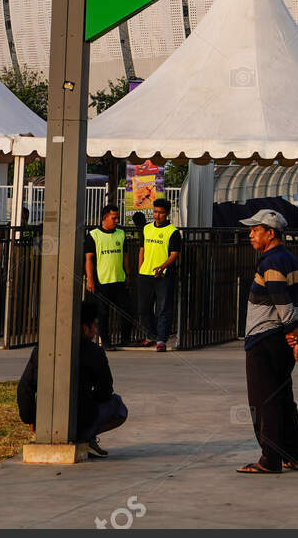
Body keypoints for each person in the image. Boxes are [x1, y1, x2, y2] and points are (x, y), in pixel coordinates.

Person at [237, 209, 298, 474]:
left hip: (265, 342)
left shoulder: (271, 263)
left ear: (270, 233)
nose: (251, 235)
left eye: (255, 230)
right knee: (282, 399)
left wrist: (293, 340)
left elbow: (284, 306)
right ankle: (295, 455)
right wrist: (295, 335)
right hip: (279, 341)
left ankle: (270, 459)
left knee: (263, 402)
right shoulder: (291, 259)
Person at [16, 298, 127, 459]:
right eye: (94, 326)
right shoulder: (95, 352)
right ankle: (86, 438)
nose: (95, 330)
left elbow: (24, 387)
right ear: (85, 327)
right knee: (118, 406)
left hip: (45, 421)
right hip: (81, 421)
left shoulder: (41, 350)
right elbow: (105, 391)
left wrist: (31, 418)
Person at [135, 197, 180, 352]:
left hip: (163, 276)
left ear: (167, 213)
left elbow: (174, 254)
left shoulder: (172, 232)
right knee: (143, 308)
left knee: (162, 308)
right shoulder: (146, 229)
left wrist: (162, 267)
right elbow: (142, 249)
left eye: (161, 212)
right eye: (155, 212)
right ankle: (151, 335)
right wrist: (140, 268)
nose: (157, 215)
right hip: (145, 274)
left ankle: (161, 339)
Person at [84, 206, 129, 350]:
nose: (116, 220)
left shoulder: (121, 234)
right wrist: (90, 279)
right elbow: (89, 259)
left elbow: (125, 255)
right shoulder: (93, 235)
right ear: (105, 218)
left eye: (117, 217)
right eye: (113, 218)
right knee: (103, 313)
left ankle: (125, 339)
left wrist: (127, 274)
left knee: (126, 309)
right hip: (102, 280)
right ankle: (106, 341)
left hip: (119, 279)